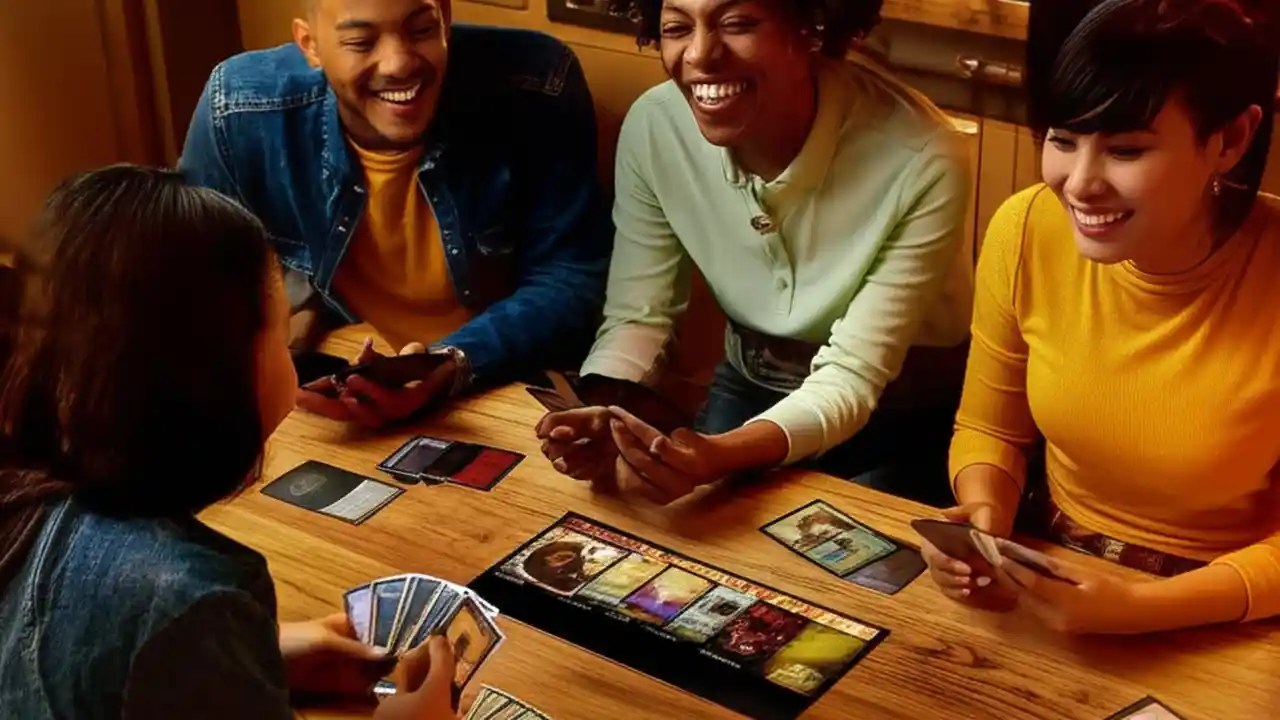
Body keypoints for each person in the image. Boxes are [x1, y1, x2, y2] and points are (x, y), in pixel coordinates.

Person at [0, 166, 458, 718]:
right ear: (216, 376)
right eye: (280, 330)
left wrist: (250, 659)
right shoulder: (193, 604)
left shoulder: (23, 503)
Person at [923, 0, 1280, 634]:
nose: (1079, 184)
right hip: (1055, 573)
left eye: (1126, 150)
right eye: (1063, 140)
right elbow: (990, 428)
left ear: (1230, 140)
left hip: (1228, 610)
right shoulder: (1027, 227)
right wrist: (985, 524)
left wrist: (1142, 609)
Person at [537, 0, 973, 507]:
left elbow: (853, 377)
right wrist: (605, 408)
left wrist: (718, 456)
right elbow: (639, 315)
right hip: (751, 376)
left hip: (904, 410)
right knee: (680, 526)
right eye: (677, 27)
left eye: (737, 24)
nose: (699, 54)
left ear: (811, 26)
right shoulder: (655, 126)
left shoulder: (923, 155)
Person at [180, 0, 612, 429]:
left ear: (445, 19)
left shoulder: (536, 82)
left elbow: (570, 279)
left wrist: (451, 363)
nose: (399, 63)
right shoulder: (238, 108)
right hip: (330, 378)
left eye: (421, 30)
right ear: (309, 45)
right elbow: (196, 294)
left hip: (501, 380)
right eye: (361, 42)